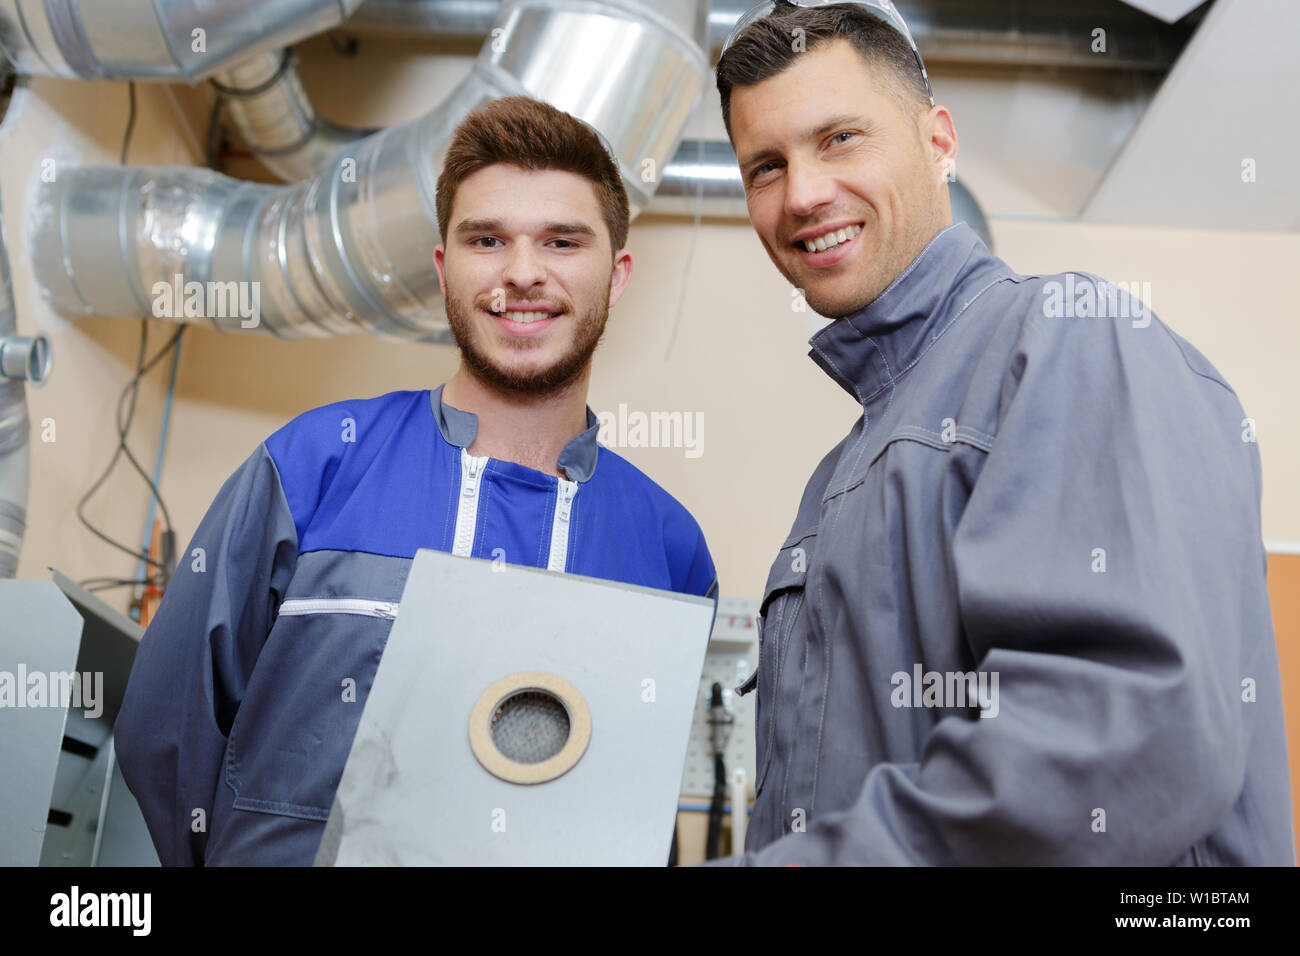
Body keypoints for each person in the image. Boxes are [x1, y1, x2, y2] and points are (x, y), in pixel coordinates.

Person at [713, 0, 1294, 865]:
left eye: (839, 138)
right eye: (765, 166)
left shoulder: (1068, 339)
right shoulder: (840, 476)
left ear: (939, 141)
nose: (801, 193)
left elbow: (1121, 740)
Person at [115, 95, 718, 866]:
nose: (523, 273)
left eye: (563, 241)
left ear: (617, 274)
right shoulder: (312, 468)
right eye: (487, 239)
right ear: (444, 267)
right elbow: (166, 730)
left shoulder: (670, 552)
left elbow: (631, 809)